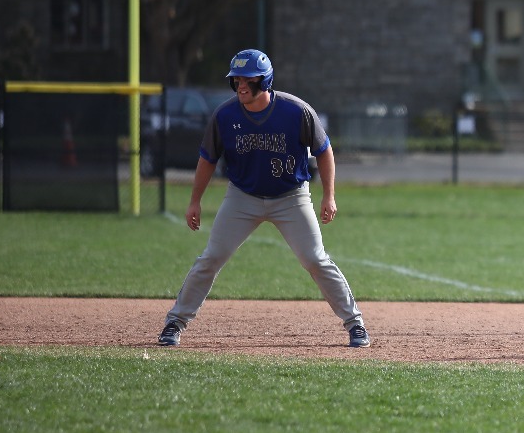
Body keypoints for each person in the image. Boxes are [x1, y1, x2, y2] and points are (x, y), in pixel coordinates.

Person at [156, 49, 370, 349]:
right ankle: (175, 322)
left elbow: (324, 150)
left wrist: (329, 196)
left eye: (249, 80)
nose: (242, 86)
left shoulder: (295, 111)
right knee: (212, 257)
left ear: (265, 81)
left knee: (314, 259)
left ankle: (355, 323)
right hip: (242, 198)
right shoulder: (225, 115)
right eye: (237, 80)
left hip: (291, 197)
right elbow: (207, 159)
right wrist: (195, 200)